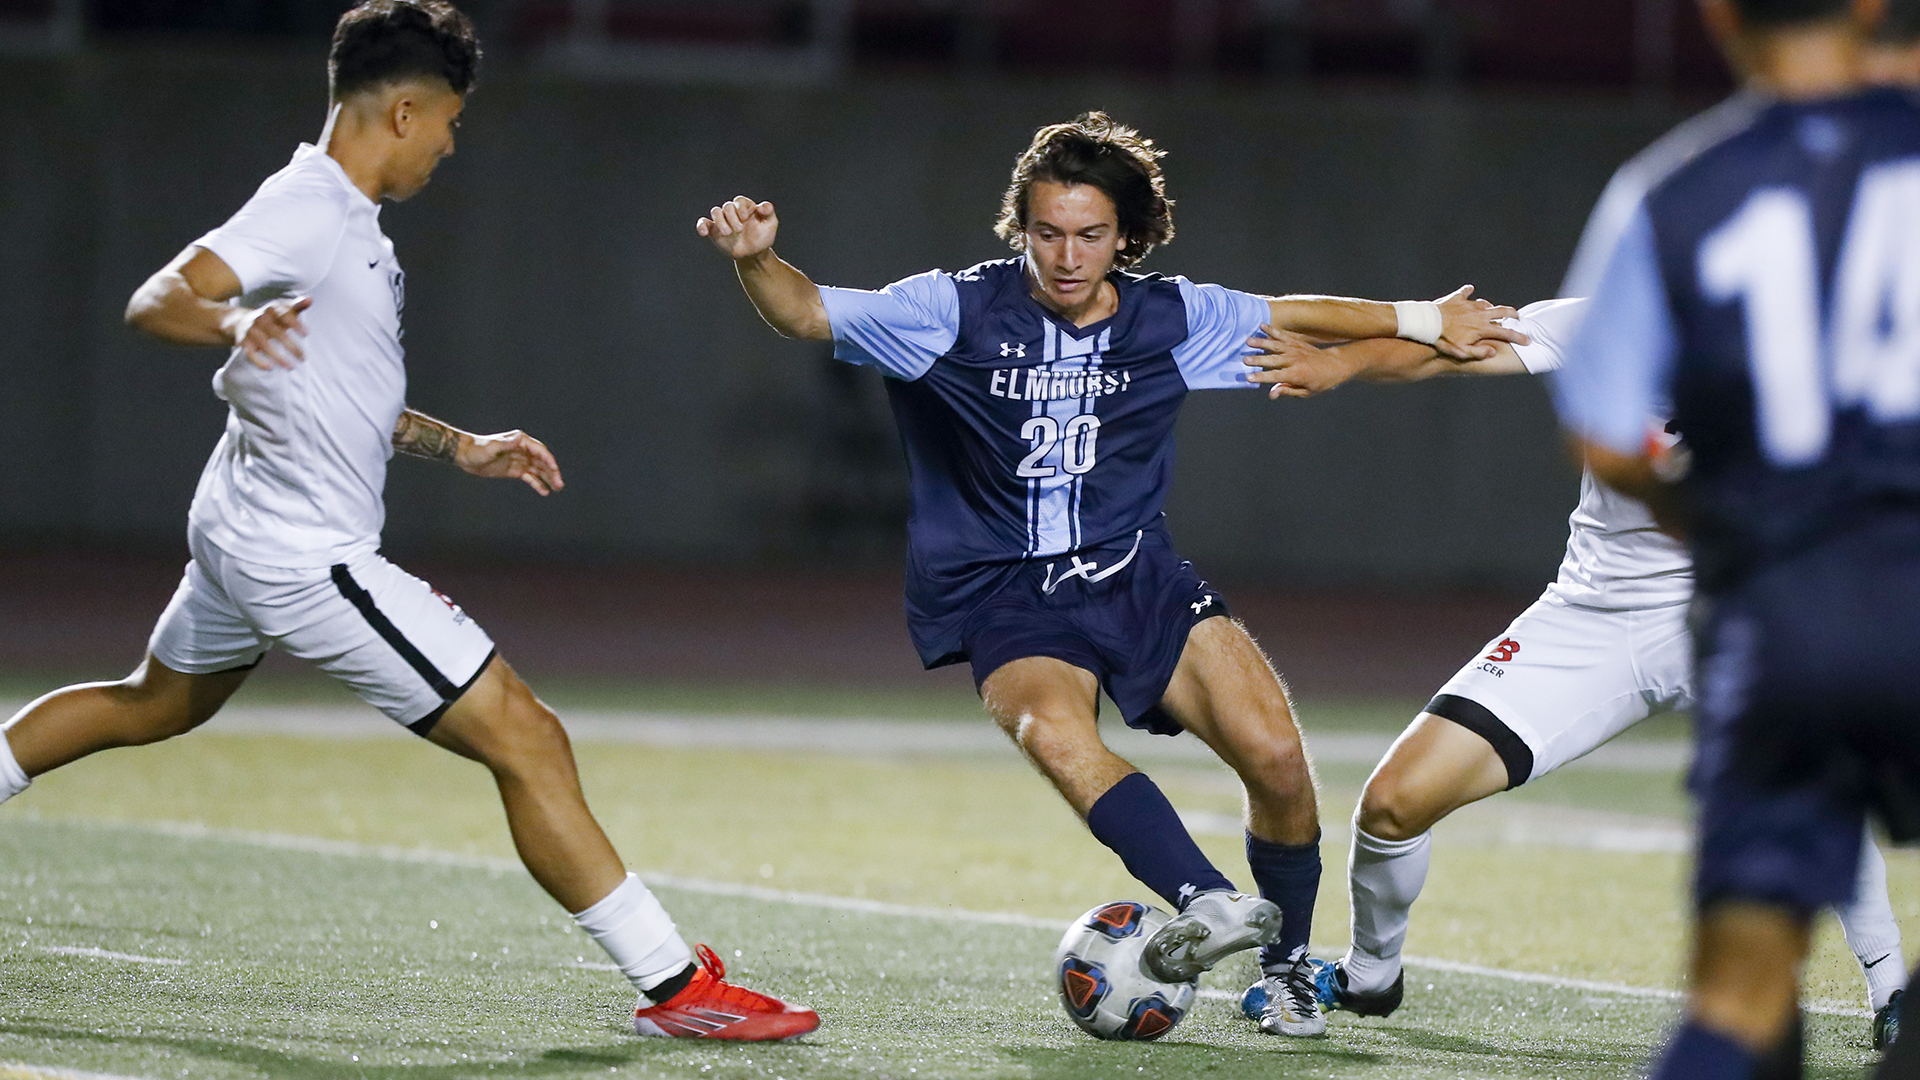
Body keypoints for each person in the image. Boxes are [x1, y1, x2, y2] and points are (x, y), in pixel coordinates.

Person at [0, 0, 816, 1042]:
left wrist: (458, 446)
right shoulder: (309, 208)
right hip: (304, 561)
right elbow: (157, 299)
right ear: (400, 111)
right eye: (449, 122)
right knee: (528, 737)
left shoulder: (345, 225)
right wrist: (234, 319)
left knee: (153, 702)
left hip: (240, 525)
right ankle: (676, 985)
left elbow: (346, 393)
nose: (449, 142)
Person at [696, 112, 1526, 1037]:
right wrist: (754, 258)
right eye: (1047, 232)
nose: (1066, 255)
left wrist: (1424, 321)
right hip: (1001, 587)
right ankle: (1207, 898)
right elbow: (807, 311)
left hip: (1136, 574)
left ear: (1125, 237)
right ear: (1022, 228)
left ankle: (1289, 970)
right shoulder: (951, 310)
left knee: (1281, 761)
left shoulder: (1170, 317)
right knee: (1053, 733)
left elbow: (1288, 313)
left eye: (1090, 235)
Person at [1243, 297, 1909, 1049]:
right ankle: (1371, 975)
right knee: (1395, 804)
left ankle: (1892, 987)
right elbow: (1460, 349)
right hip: (1595, 617)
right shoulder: (1628, 306)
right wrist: (1341, 361)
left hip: (1743, 613)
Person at [1548, 0, 1920, 1074]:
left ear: (1719, 14)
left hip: (1782, 614)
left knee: (1741, 993)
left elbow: (1607, 437)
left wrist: (1711, 525)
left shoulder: (1673, 190)